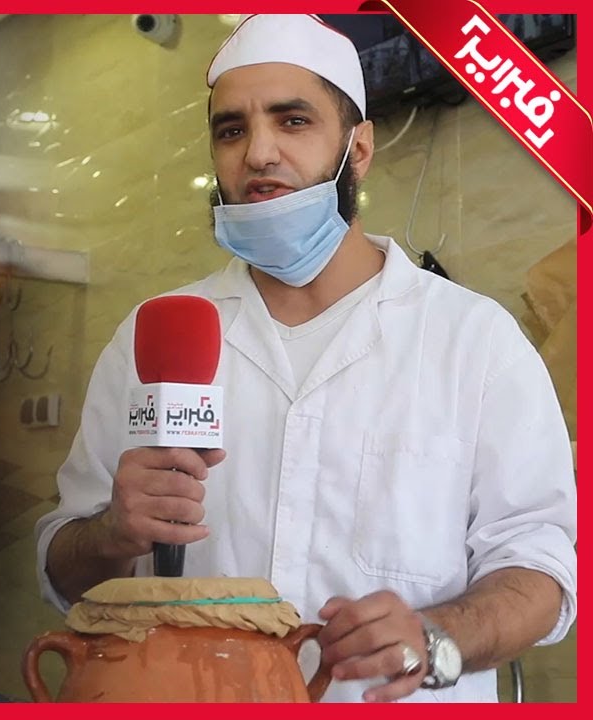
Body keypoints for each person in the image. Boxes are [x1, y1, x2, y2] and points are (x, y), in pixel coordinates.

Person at [34, 14, 576, 703]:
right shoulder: (153, 336)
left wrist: (437, 634)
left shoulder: (473, 340)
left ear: (359, 149)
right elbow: (62, 568)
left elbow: (540, 568)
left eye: (293, 121)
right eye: (231, 130)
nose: (259, 152)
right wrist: (111, 533)